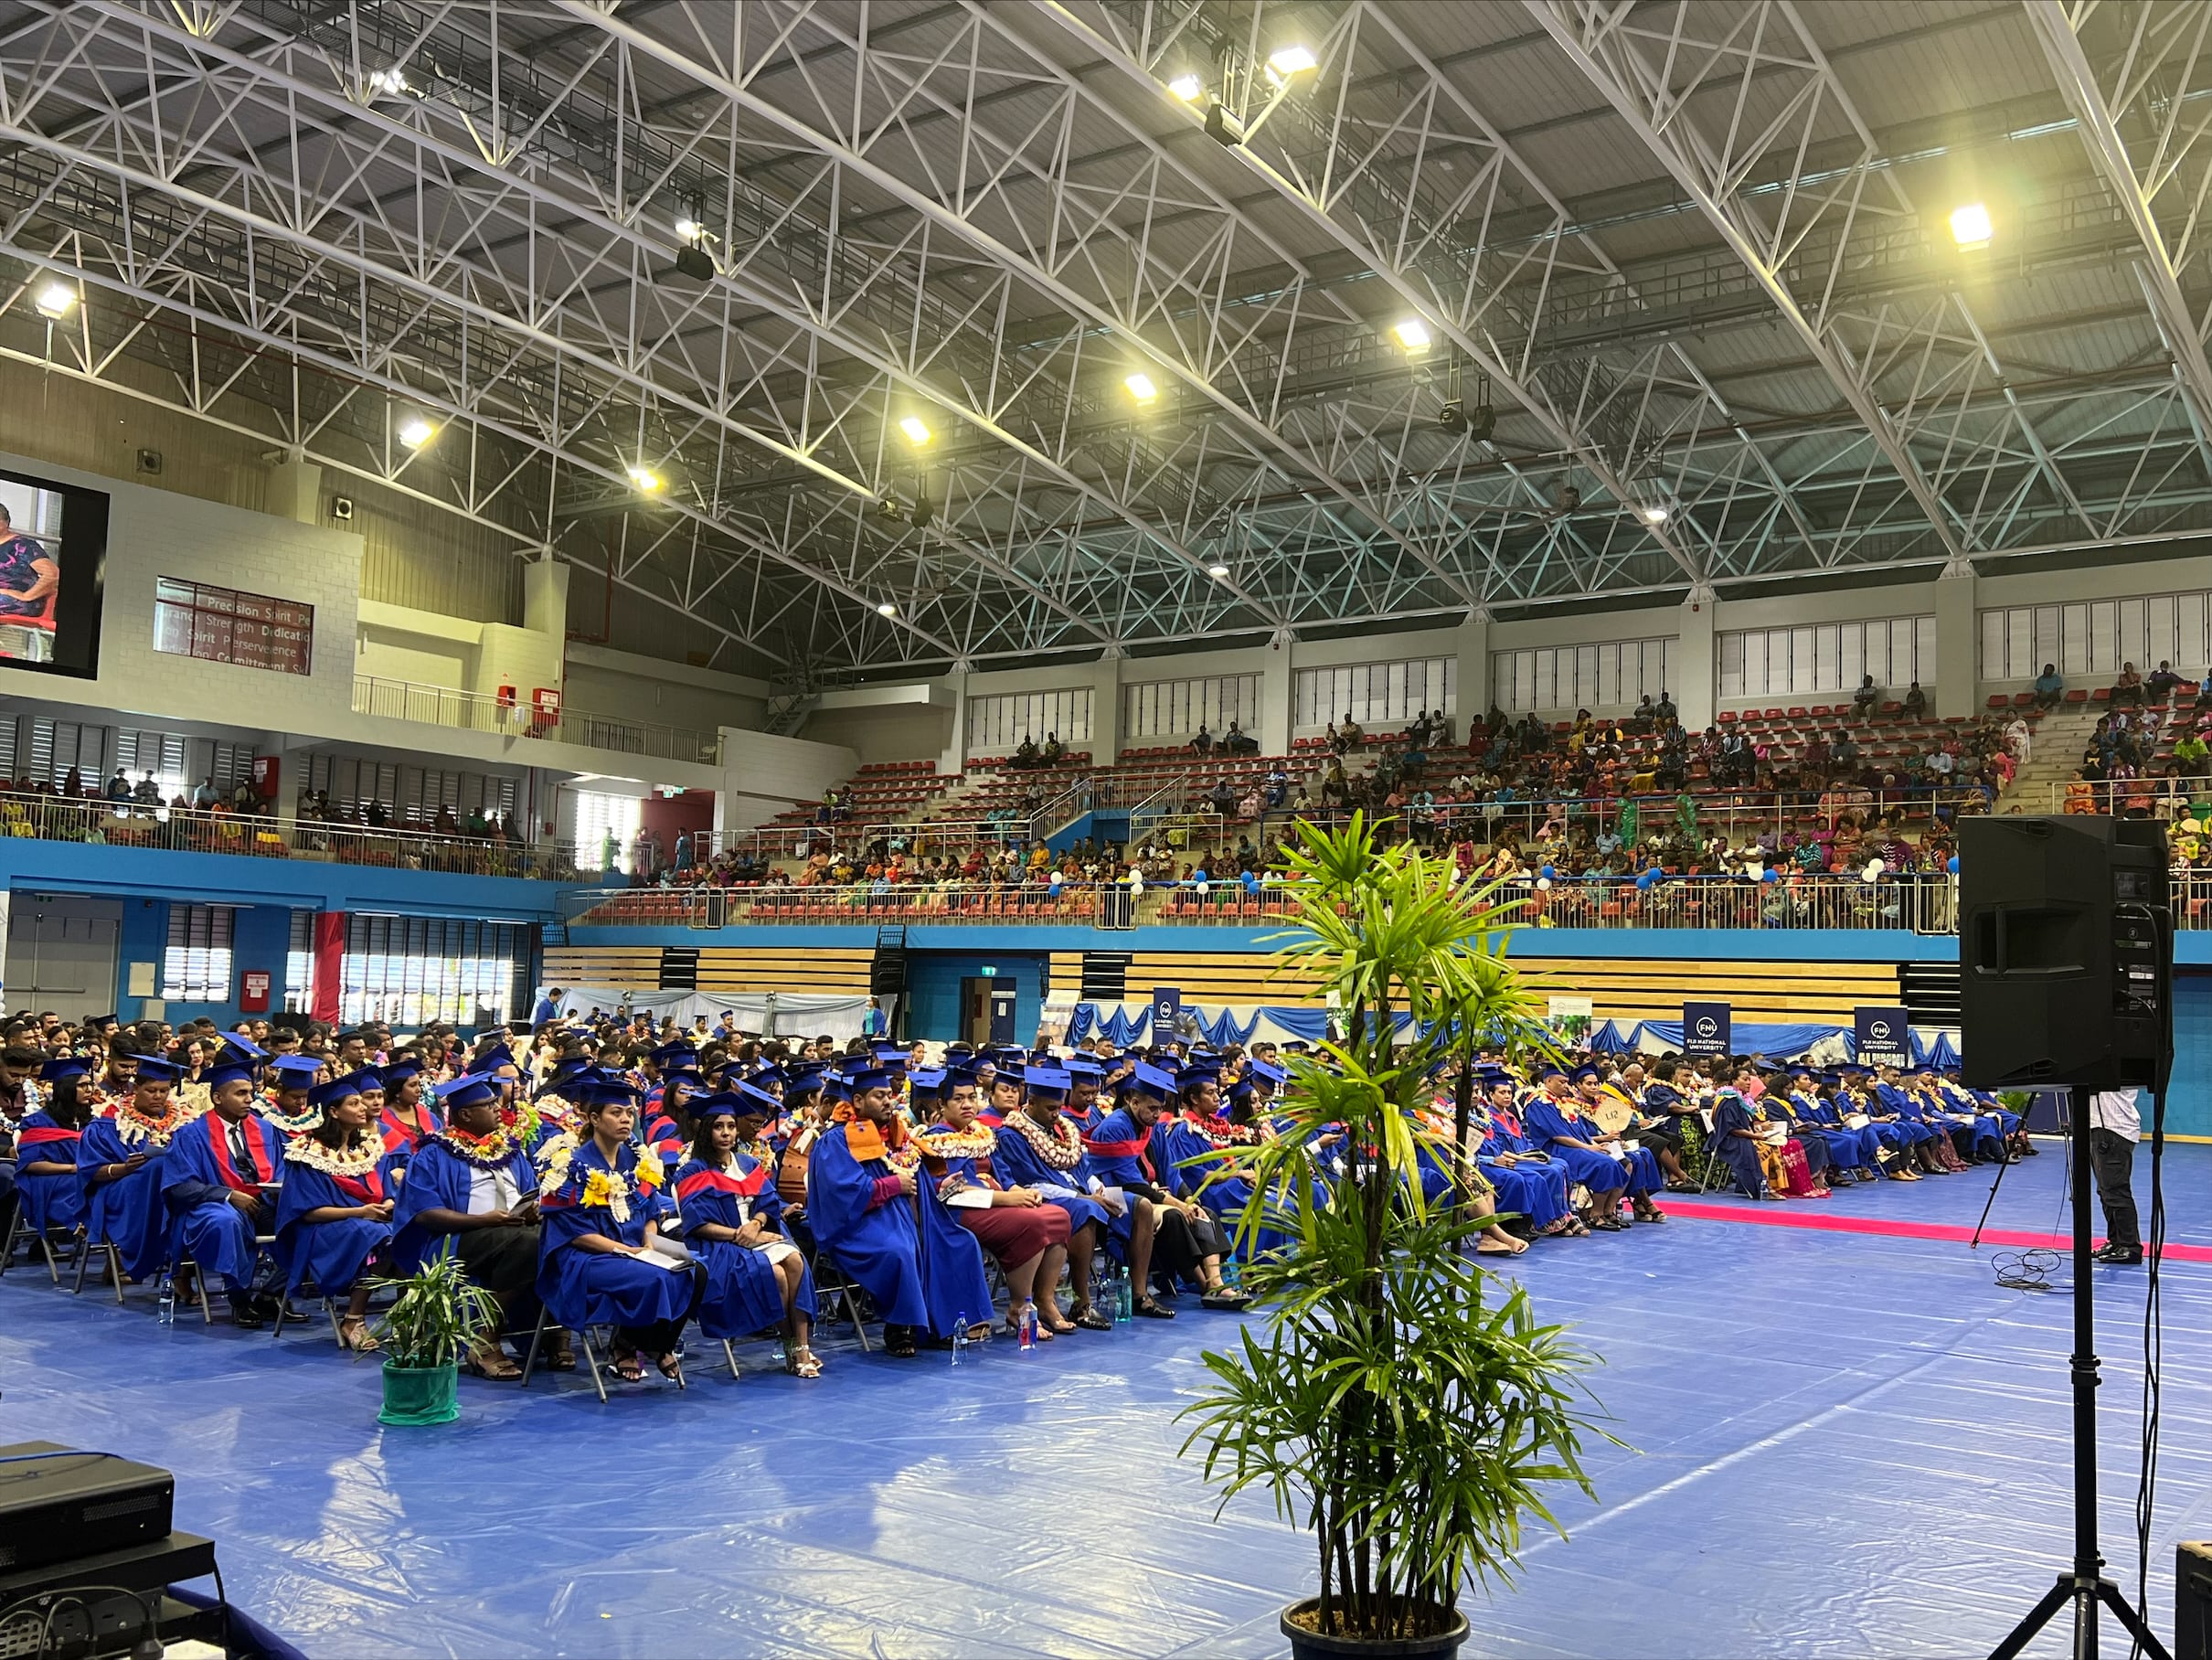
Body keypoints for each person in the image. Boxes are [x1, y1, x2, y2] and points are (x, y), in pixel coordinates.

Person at [807, 1064, 991, 1357]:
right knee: (901, 1249)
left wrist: (940, 1182)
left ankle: (944, 1325)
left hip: (905, 1216)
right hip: (861, 1225)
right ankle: (899, 1325)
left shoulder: (894, 1134)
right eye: (879, 1095)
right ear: (857, 1101)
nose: (888, 1101)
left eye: (889, 1095)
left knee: (960, 1241)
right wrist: (892, 1186)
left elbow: (912, 1174)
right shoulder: (837, 1139)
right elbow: (842, 1193)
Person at [389, 1075, 558, 1379]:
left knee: (551, 1238)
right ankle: (486, 1340)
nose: (498, 1109)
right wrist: (485, 1220)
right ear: (465, 1114)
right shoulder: (433, 1153)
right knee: (529, 1243)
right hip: (456, 1240)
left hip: (511, 1232)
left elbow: (531, 1194)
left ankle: (557, 1336)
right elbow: (426, 1213)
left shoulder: (510, 1150)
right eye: (489, 1104)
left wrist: (533, 1210)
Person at [536, 1081, 704, 1383]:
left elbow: (651, 1212)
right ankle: (640, 1345)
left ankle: (645, 1342)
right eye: (616, 1113)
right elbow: (575, 1235)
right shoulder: (569, 1167)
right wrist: (629, 1251)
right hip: (586, 1258)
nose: (626, 1119)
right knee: (655, 1277)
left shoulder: (637, 1161)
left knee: (696, 1270)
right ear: (594, 1118)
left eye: (629, 1113)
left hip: (635, 1251)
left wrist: (648, 1241)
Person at [912, 1069, 1072, 1341]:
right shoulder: (935, 1141)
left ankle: (1045, 1300)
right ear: (942, 1104)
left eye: (971, 1098)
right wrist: (1008, 1199)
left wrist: (1018, 1191)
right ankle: (1020, 1305)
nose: (967, 1105)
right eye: (958, 1099)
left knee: (1059, 1216)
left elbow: (1004, 1175)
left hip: (995, 1204)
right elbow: (952, 1191)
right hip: (959, 1212)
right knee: (1032, 1222)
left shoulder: (982, 1133)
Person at [673, 1090, 821, 1377]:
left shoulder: (748, 1164)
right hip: (717, 1246)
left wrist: (756, 1224)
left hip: (754, 1237)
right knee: (775, 1274)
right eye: (718, 1126)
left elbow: (766, 1203)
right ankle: (791, 1345)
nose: (726, 1133)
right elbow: (697, 1224)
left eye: (730, 1126)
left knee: (795, 1261)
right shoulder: (691, 1171)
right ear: (706, 1130)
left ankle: (801, 1346)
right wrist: (741, 1235)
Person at [160, 1058, 292, 1326]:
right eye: (240, 1093)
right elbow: (180, 1186)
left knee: (307, 1220)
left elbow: (282, 1169)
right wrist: (229, 1195)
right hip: (216, 1203)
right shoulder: (192, 1135)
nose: (249, 1099)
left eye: (251, 1093)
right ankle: (239, 1298)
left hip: (264, 1202)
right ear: (218, 1097)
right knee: (224, 1221)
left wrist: (279, 1188)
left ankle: (271, 1293)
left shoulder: (266, 1129)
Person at [273, 1074, 396, 1350]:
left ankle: (405, 1318)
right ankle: (354, 1319)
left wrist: (389, 1203)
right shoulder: (306, 1153)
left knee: (407, 1232)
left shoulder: (369, 1149)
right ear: (333, 1111)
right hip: (321, 1231)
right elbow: (307, 1213)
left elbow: (387, 1193)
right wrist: (360, 1212)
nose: (363, 1107)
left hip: (366, 1222)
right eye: (354, 1103)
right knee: (378, 1236)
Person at [75, 1055, 191, 1288]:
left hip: (167, 1189)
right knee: (159, 1169)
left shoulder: (183, 1123)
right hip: (117, 1189)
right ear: (136, 1088)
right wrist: (125, 1168)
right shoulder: (108, 1123)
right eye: (151, 1090)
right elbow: (90, 1171)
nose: (158, 1096)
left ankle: (182, 1270)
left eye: (164, 1090)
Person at [2087, 1087, 2143, 1265]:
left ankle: (2130, 1247)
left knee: (2116, 1192)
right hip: (2101, 1127)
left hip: (2113, 1129)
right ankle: (2116, 1241)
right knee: (2105, 1192)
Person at [0, 501, 58, 620]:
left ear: (3, 523)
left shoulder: (24, 546)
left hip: (19, 602)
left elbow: (52, 574)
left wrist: (26, 596)